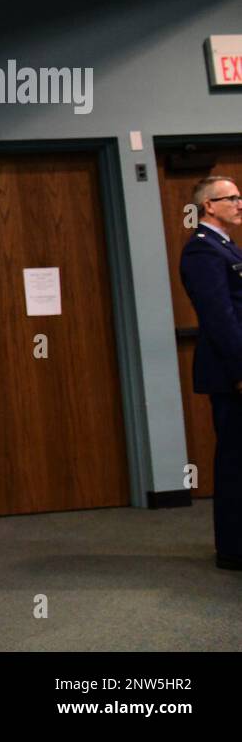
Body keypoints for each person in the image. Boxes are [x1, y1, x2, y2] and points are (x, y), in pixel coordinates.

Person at [179, 174, 242, 571]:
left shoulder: (225, 247)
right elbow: (220, 318)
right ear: (209, 206)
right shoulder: (202, 252)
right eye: (231, 197)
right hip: (231, 373)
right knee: (235, 460)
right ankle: (234, 549)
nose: (239, 203)